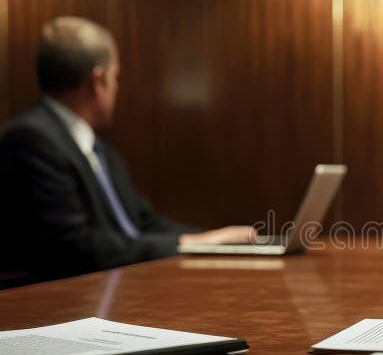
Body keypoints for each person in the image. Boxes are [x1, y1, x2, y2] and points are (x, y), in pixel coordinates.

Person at [0, 17, 252, 285]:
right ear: (97, 82)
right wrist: (190, 243)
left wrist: (216, 240)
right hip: (66, 303)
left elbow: (144, 222)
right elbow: (78, 248)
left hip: (116, 288)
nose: (117, 87)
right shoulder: (31, 139)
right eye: (115, 77)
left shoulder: (101, 151)